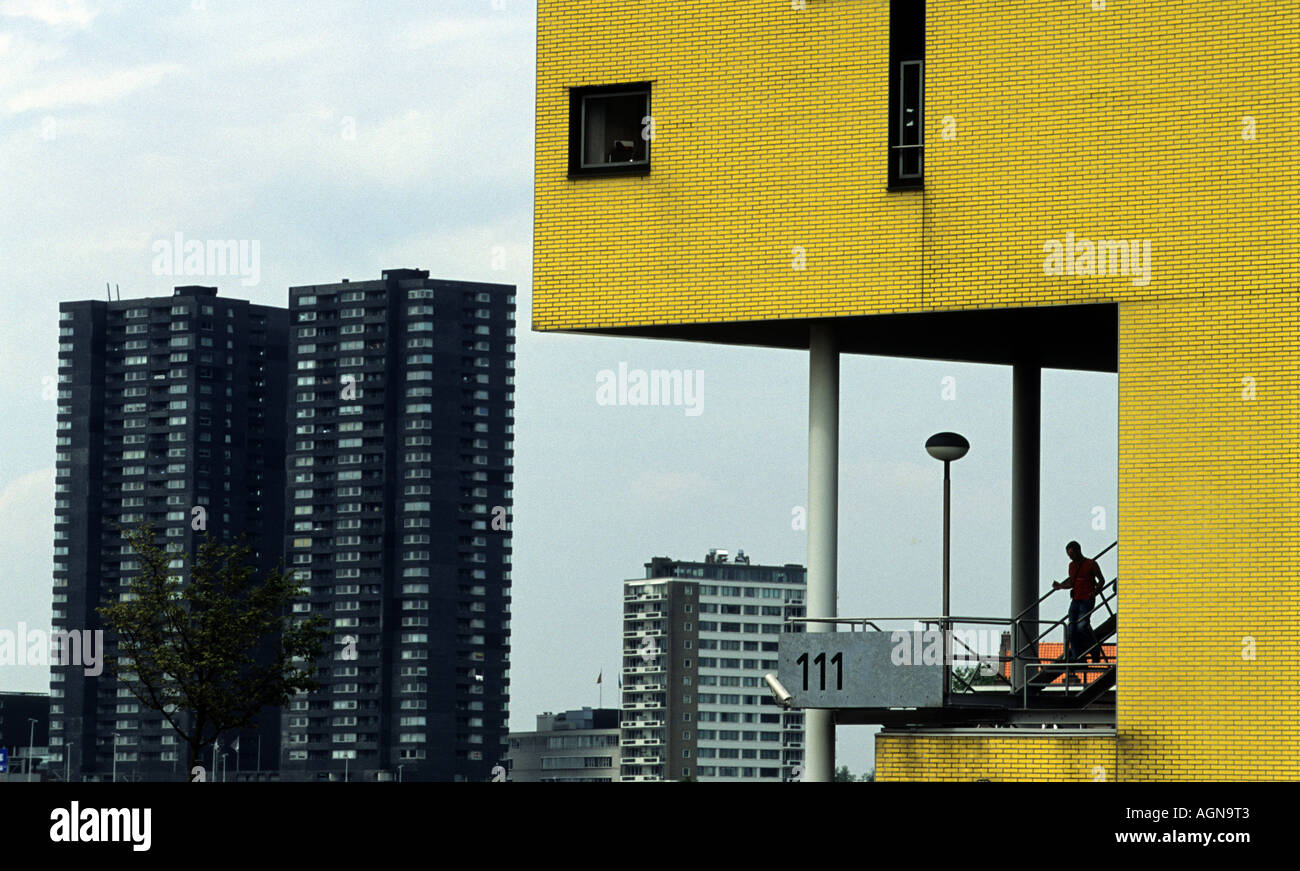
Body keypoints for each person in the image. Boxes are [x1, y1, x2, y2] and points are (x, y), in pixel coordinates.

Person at [1052, 541, 1105, 678]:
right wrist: (1061, 586)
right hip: (1076, 600)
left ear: (1077, 551)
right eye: (1069, 555)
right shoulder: (1072, 566)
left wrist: (1095, 592)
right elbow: (1072, 582)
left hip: (1086, 599)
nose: (1070, 557)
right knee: (1072, 630)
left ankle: (1094, 651)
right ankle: (1079, 659)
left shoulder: (1091, 564)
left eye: (1071, 554)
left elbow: (1101, 580)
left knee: (1081, 626)